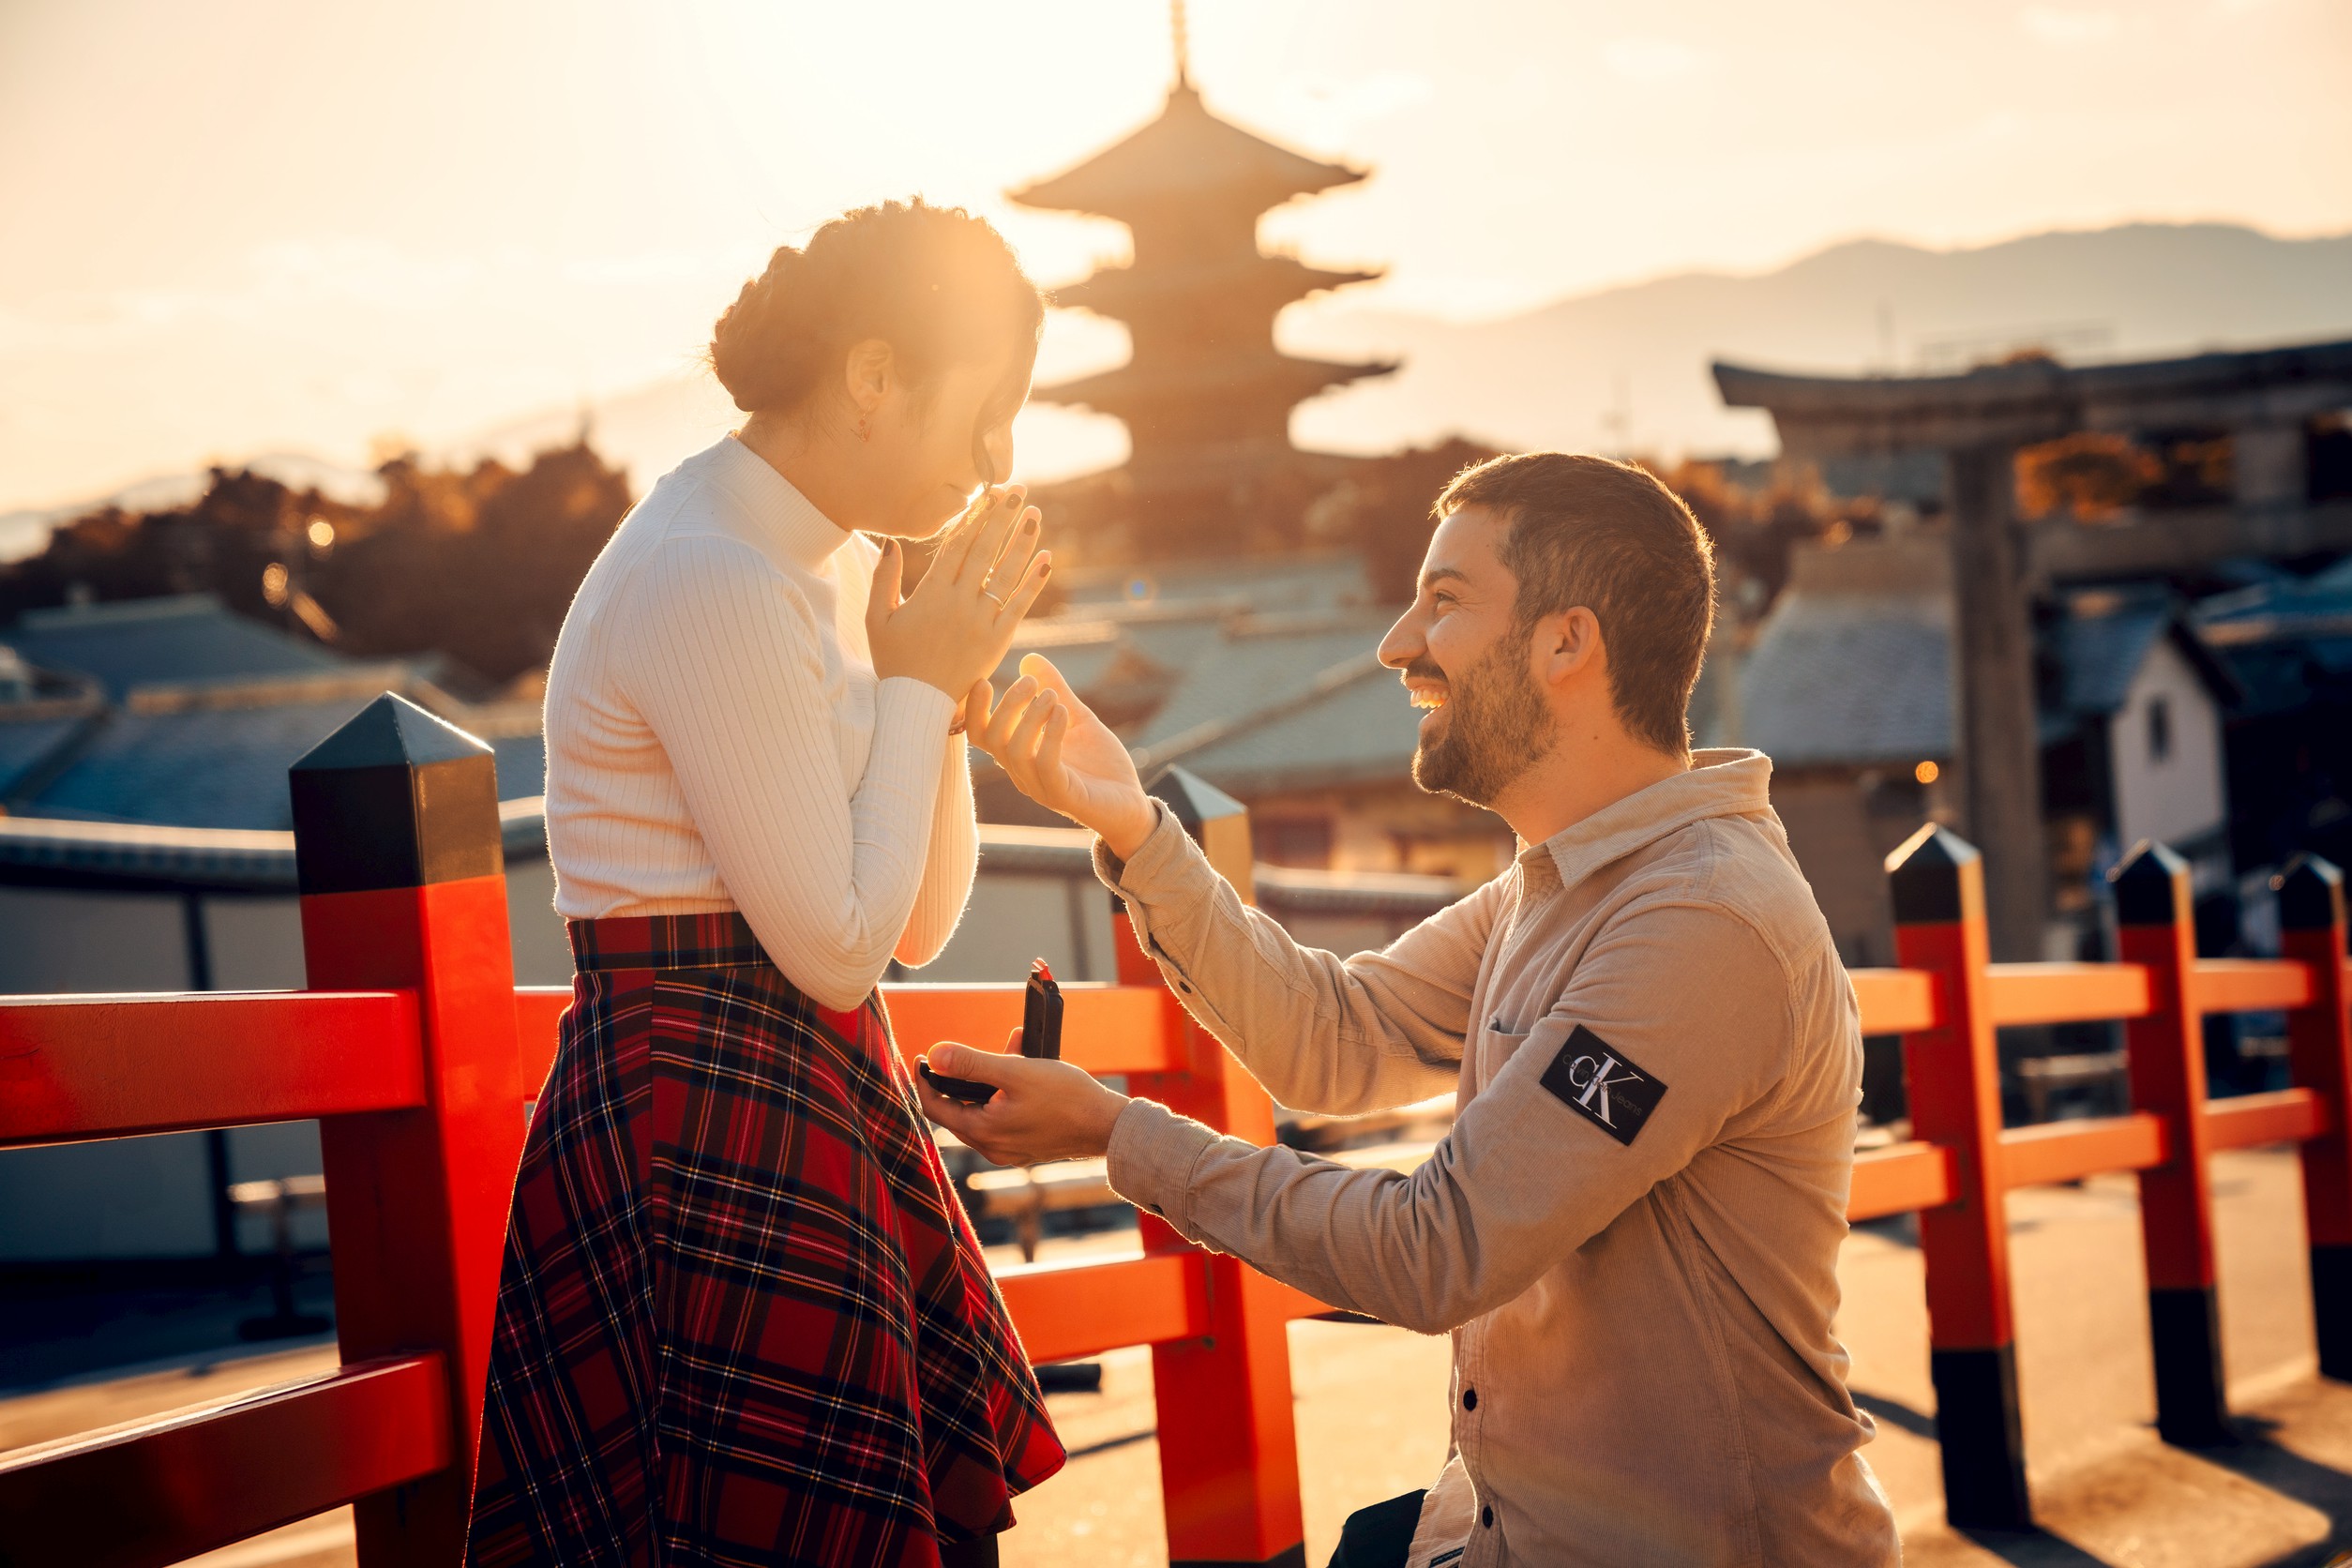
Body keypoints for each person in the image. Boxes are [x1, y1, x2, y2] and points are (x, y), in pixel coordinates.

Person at [922, 453, 1902, 1566]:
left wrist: (1115, 1133)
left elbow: (1440, 1249)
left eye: (1444, 603)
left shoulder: (1700, 922)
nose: (1396, 645)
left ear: (1568, 641)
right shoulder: (1559, 885)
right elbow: (1338, 1042)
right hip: (1494, 1527)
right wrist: (1138, 831)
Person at [466, 199, 1065, 1568]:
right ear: (872, 376)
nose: (998, 459)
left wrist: (946, 691)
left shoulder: (843, 559)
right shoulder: (707, 571)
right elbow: (844, 949)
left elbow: (915, 923)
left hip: (812, 1083)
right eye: (990, 411)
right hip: (696, 1105)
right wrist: (916, 676)